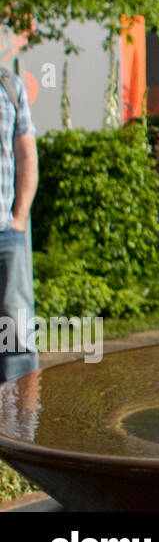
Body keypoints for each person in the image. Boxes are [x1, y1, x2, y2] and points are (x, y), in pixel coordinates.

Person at [0, 66, 37, 383]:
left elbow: (26, 156)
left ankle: (18, 427)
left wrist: (19, 218)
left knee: (16, 338)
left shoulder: (9, 85)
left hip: (6, 234)